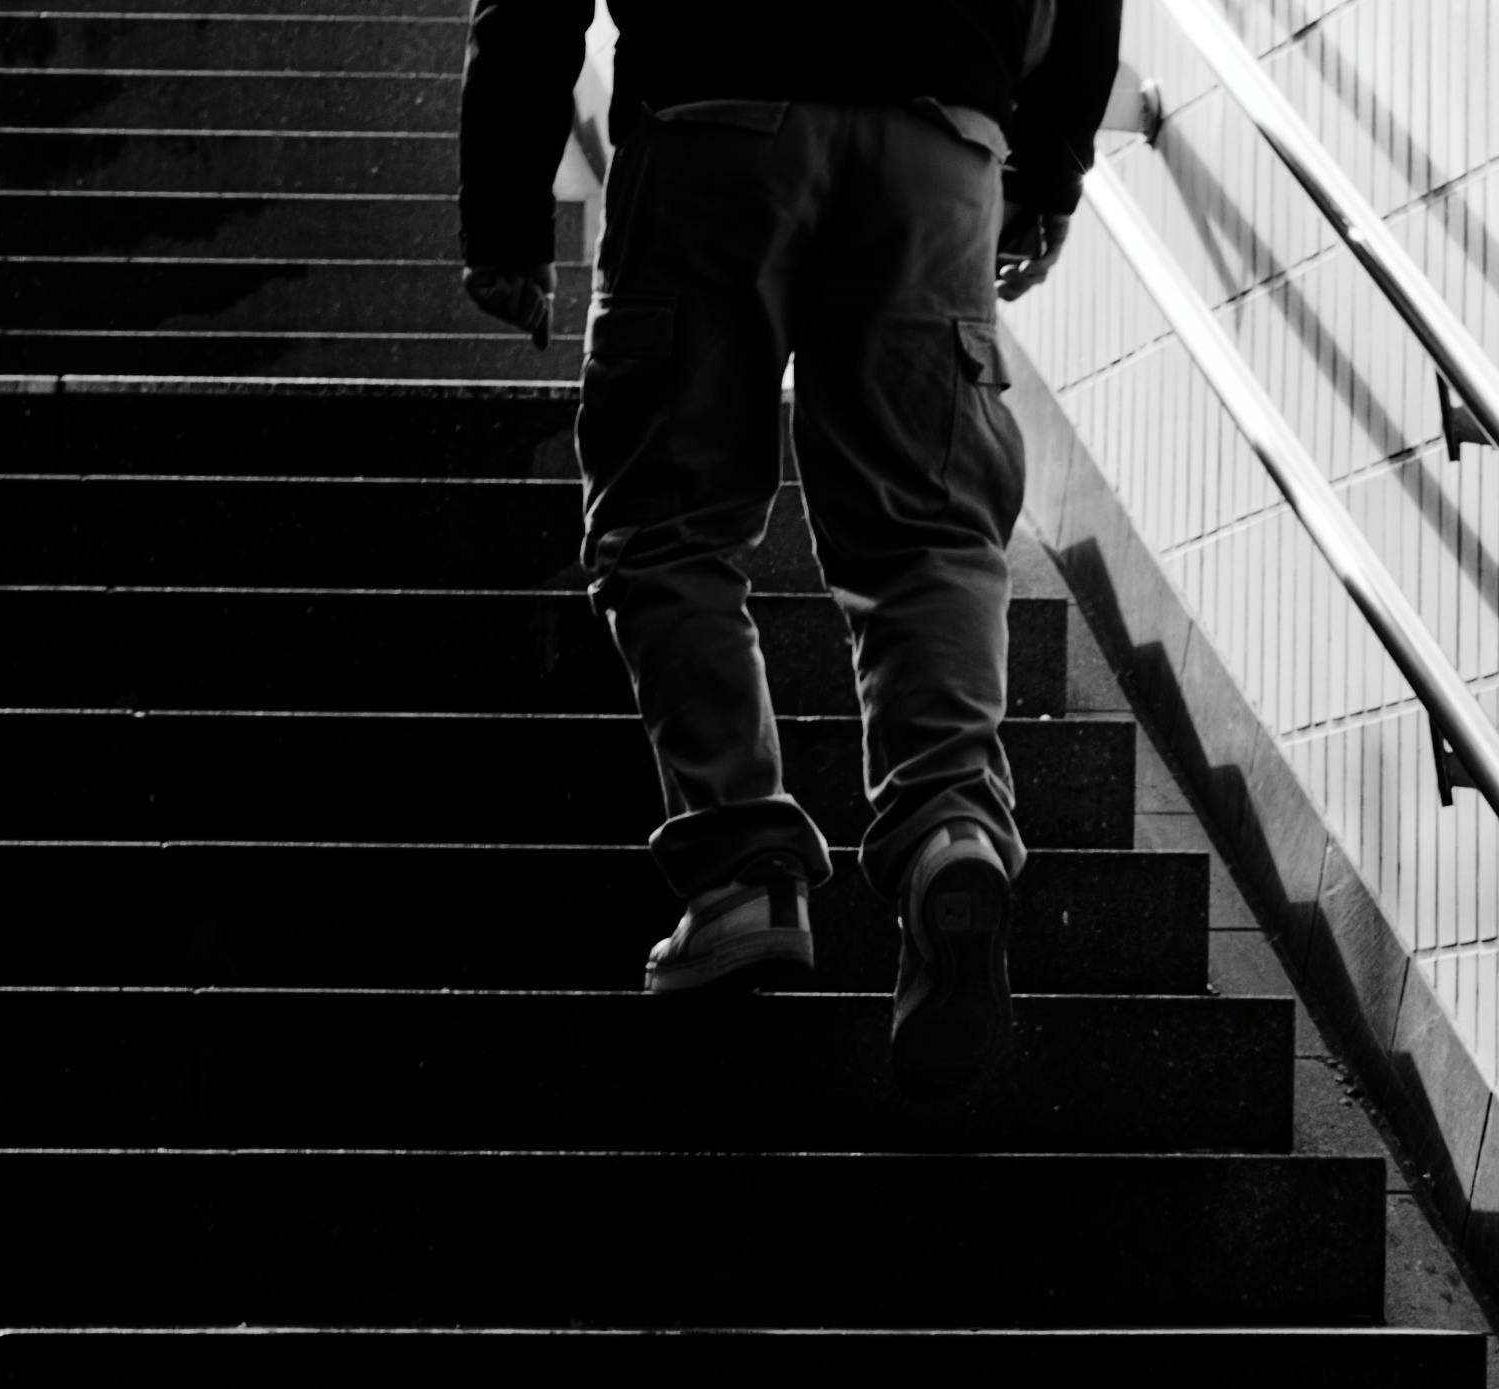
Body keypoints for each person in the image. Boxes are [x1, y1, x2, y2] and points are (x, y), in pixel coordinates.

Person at [458, 2, 1121, 1097]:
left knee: (666, 521)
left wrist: (503, 208)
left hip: (718, 113)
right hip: (934, 140)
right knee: (928, 532)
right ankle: (949, 822)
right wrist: (1043, 166)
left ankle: (742, 870)